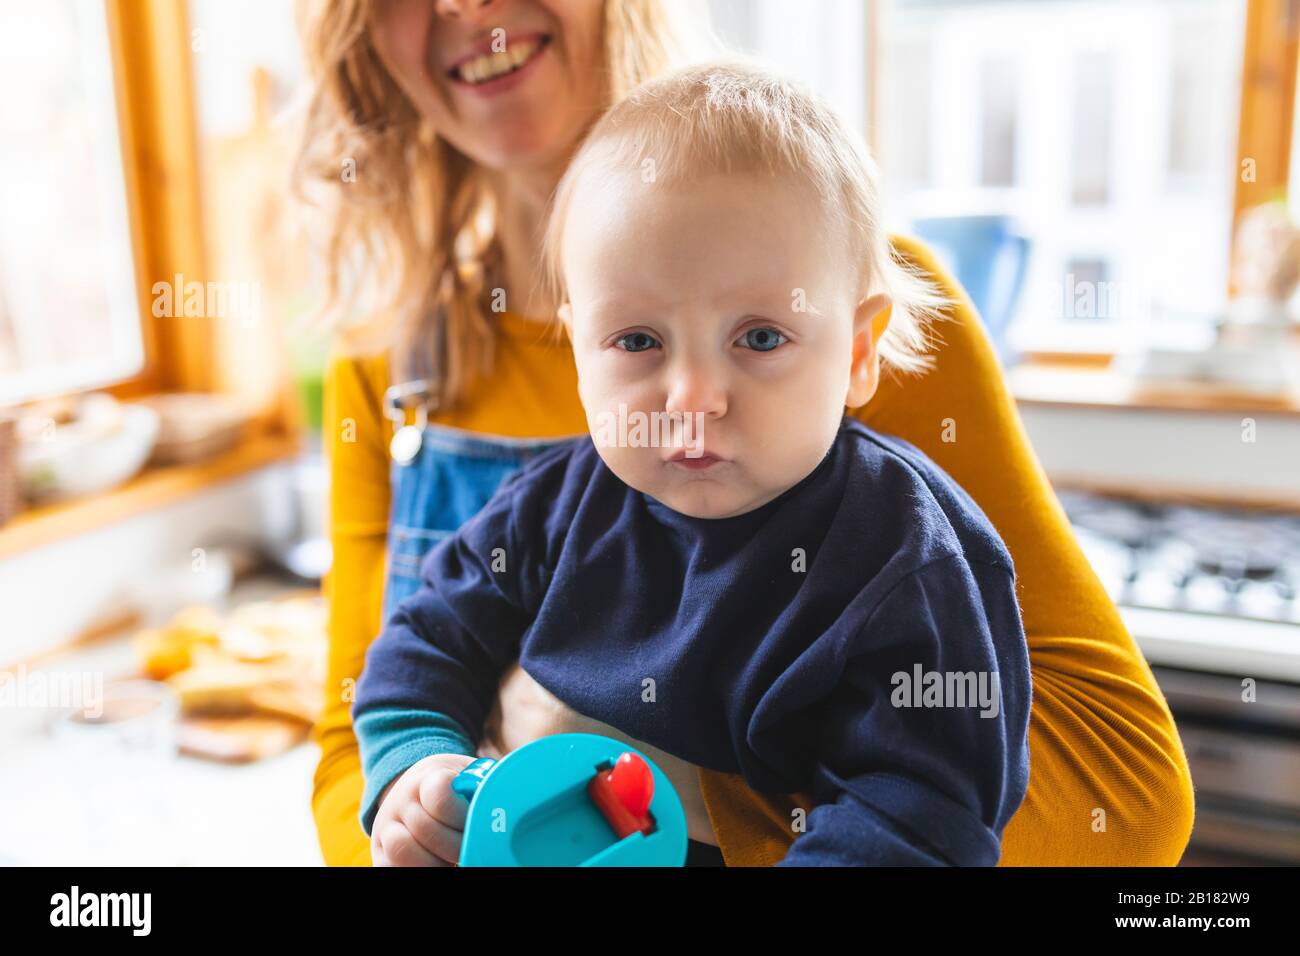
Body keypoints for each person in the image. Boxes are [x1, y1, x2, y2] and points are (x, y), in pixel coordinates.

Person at [297, 0, 1193, 867]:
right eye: (636, 341)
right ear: (579, 346)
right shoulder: (396, 367)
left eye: (761, 339)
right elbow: (369, 712)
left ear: (858, 351)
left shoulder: (887, 457)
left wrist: (653, 805)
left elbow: (1115, 791)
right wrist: (418, 796)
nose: (694, 397)